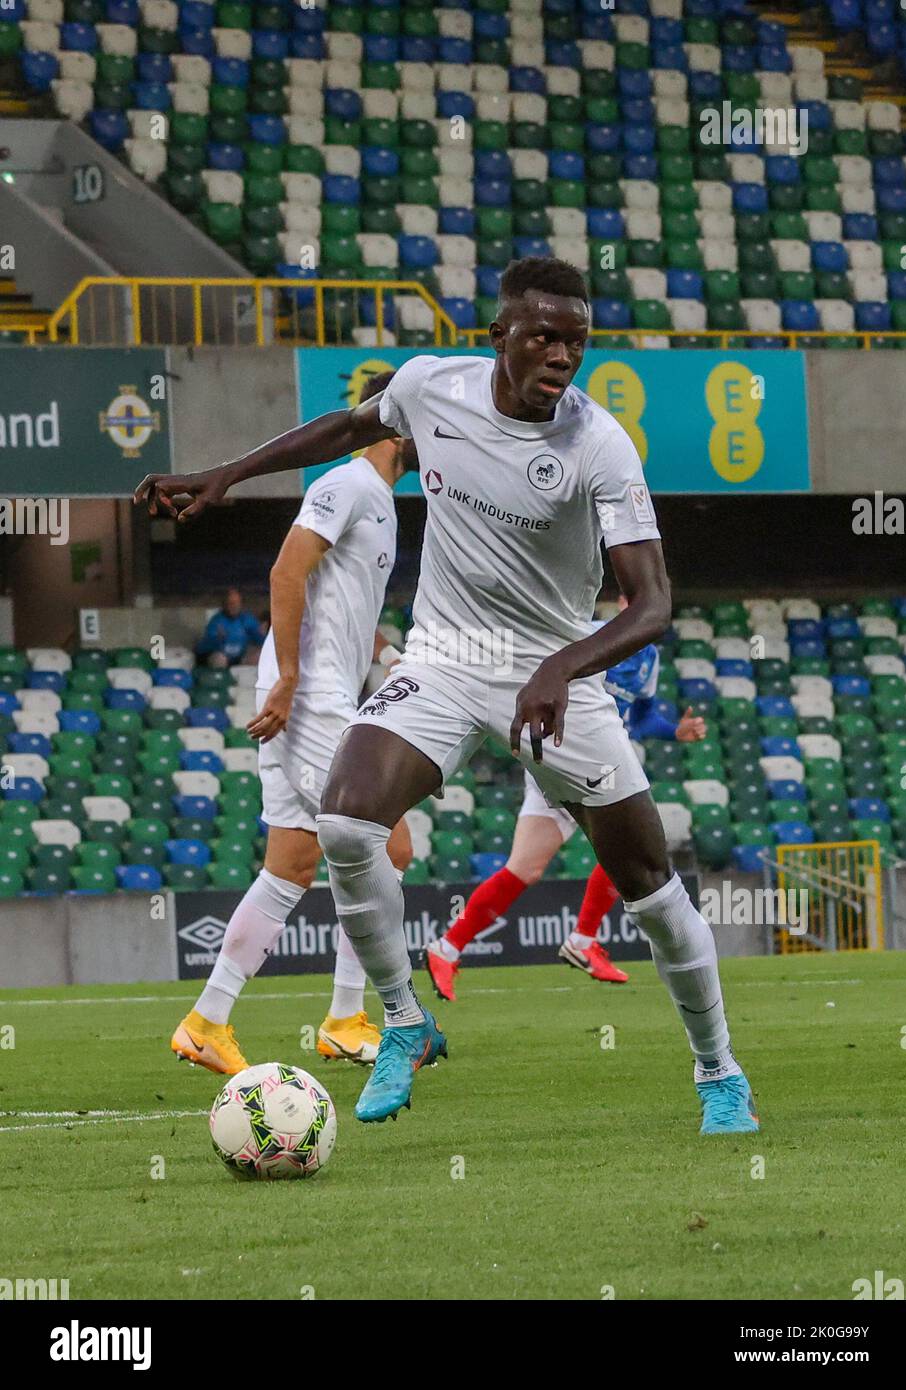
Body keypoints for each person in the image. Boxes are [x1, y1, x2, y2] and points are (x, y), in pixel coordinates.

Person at [137, 256, 758, 1137]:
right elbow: (342, 428)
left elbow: (652, 603)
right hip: (441, 657)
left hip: (555, 672)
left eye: (575, 341)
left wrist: (562, 667)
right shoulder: (430, 387)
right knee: (349, 822)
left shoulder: (598, 445)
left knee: (649, 888)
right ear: (498, 334)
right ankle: (401, 1021)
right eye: (542, 336)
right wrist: (227, 476)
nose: (560, 356)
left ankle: (718, 1070)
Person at [171, 372, 417, 1075]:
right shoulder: (345, 486)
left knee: (293, 863)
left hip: (318, 693)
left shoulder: (379, 503)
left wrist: (390, 658)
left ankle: (207, 1021)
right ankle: (345, 1017)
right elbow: (285, 572)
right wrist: (288, 678)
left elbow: (343, 610)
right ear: (395, 424)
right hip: (309, 699)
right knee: (388, 846)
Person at [424, 600, 707, 998]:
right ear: (621, 603)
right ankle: (582, 940)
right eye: (631, 598)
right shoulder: (583, 632)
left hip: (579, 763)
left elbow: (641, 717)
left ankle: (446, 948)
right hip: (568, 754)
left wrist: (674, 732)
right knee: (629, 844)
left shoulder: (649, 659)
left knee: (524, 868)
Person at [196, 588, 264, 668]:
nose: (234, 606)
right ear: (224, 605)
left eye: (236, 603)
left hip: (239, 658)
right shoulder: (216, 621)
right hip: (219, 657)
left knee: (261, 656)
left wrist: (263, 635)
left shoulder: (248, 620)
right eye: (231, 603)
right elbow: (205, 646)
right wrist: (218, 639)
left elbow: (260, 641)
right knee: (220, 659)